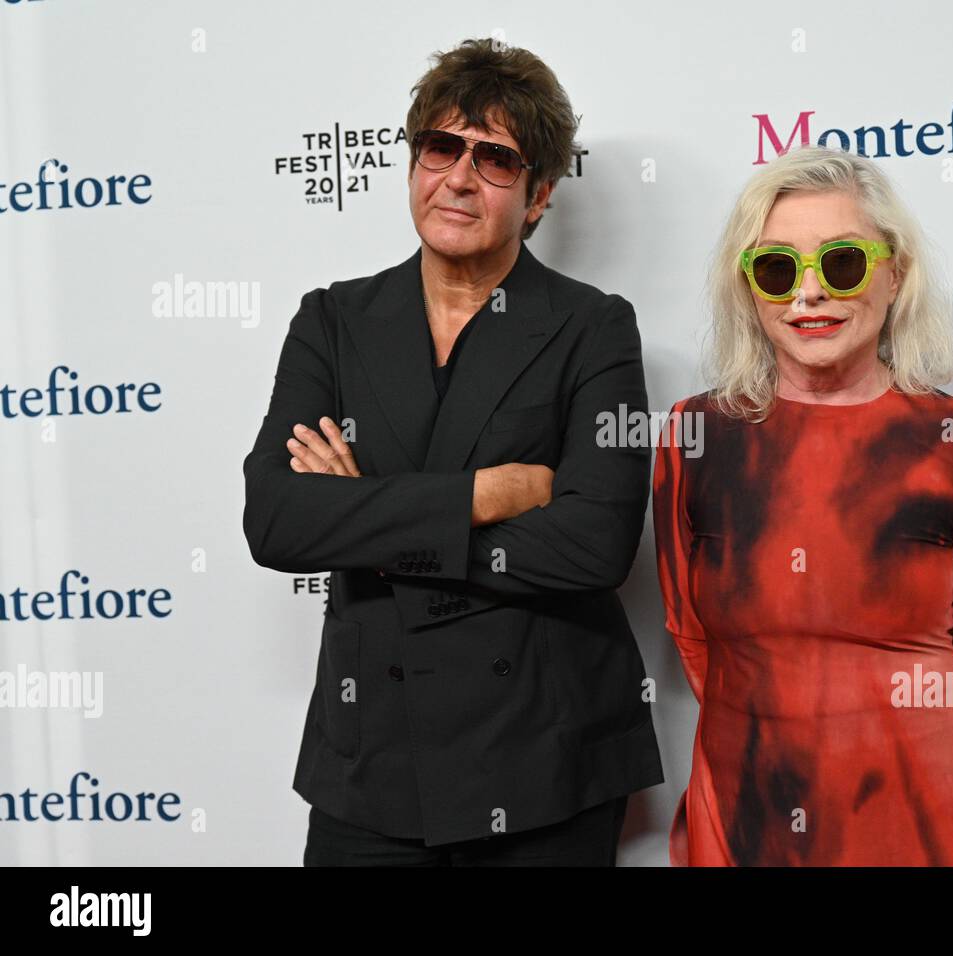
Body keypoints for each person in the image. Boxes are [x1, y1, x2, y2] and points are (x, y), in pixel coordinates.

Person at [242, 38, 663, 866]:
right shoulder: (331, 322)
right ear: (413, 164)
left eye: (495, 159)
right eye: (441, 147)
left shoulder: (593, 326)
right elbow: (279, 520)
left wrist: (368, 522)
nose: (459, 177)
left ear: (539, 195)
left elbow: (595, 542)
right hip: (371, 766)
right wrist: (487, 495)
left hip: (546, 757)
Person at [652, 145, 953, 866]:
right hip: (746, 803)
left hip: (924, 814)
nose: (809, 294)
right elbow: (694, 637)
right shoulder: (693, 437)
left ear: (895, 275)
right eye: (776, 269)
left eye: (843, 263)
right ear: (749, 290)